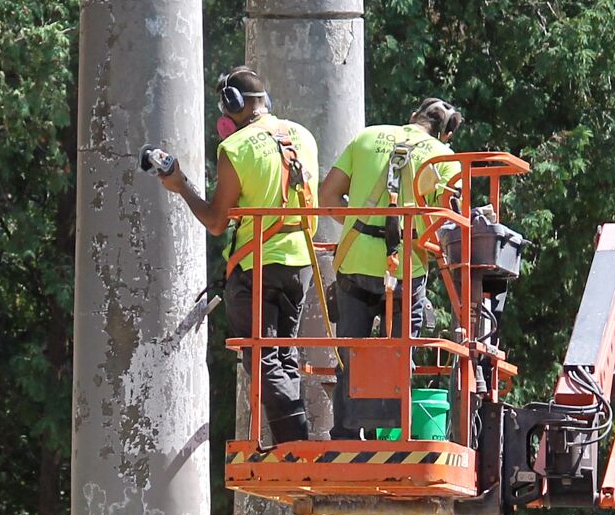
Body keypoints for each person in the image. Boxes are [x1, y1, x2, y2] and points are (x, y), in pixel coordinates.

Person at [153, 66, 320, 444]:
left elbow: (215, 221)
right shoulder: (304, 136)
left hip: (258, 264)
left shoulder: (235, 148)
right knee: (284, 352)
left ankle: (295, 446)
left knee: (262, 358)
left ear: (232, 105)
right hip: (301, 260)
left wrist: (180, 186)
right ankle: (296, 439)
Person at [320, 99, 464, 439]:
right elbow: (448, 222)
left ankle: (345, 436)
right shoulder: (444, 158)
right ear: (446, 133)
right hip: (405, 271)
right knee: (400, 357)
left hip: (353, 261)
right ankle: (396, 437)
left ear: (411, 116)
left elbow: (327, 198)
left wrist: (360, 225)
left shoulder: (367, 137)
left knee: (349, 356)